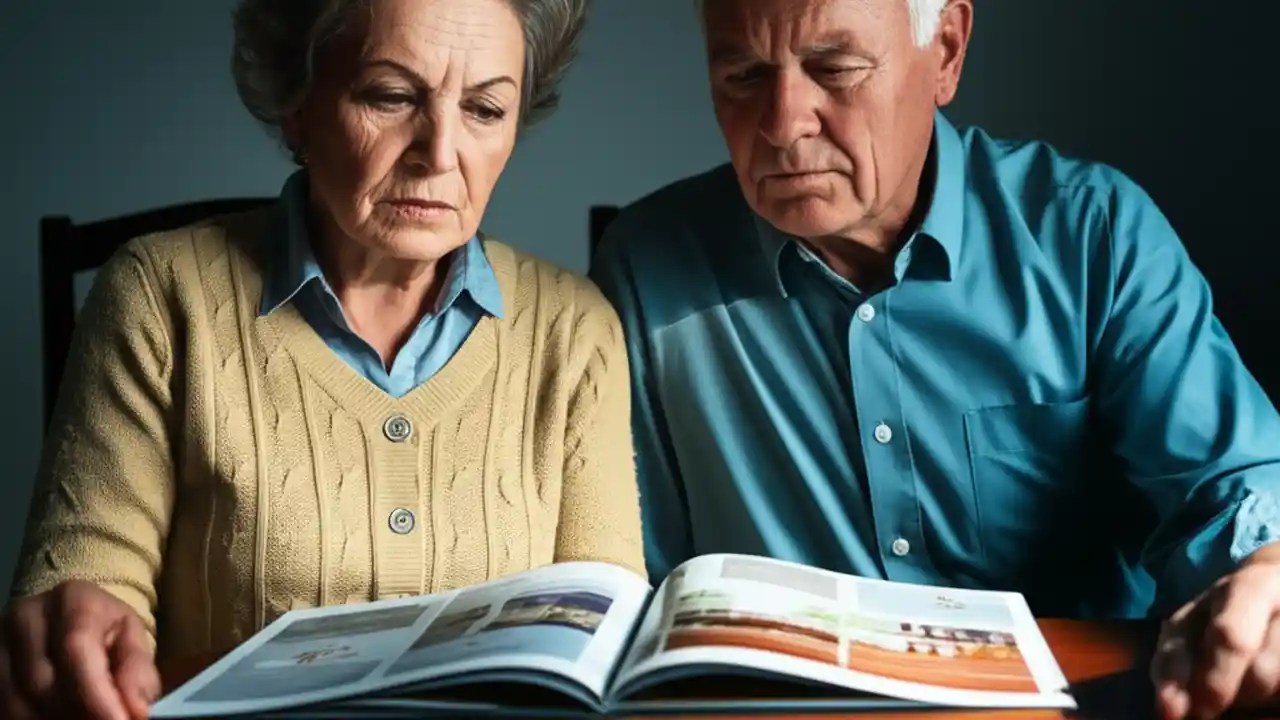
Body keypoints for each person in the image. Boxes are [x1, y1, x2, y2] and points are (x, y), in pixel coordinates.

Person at [589, 0, 1280, 717]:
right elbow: (638, 582)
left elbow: (1230, 490)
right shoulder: (647, 267)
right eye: (742, 75)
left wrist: (1266, 569)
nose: (783, 122)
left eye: (836, 68)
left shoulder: (1091, 232)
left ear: (945, 50)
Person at [1, 0, 644, 718]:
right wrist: (81, 624)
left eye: (485, 110)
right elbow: (89, 581)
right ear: (297, 106)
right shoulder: (160, 294)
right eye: (392, 96)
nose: (439, 152)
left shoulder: (574, 329)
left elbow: (603, 641)